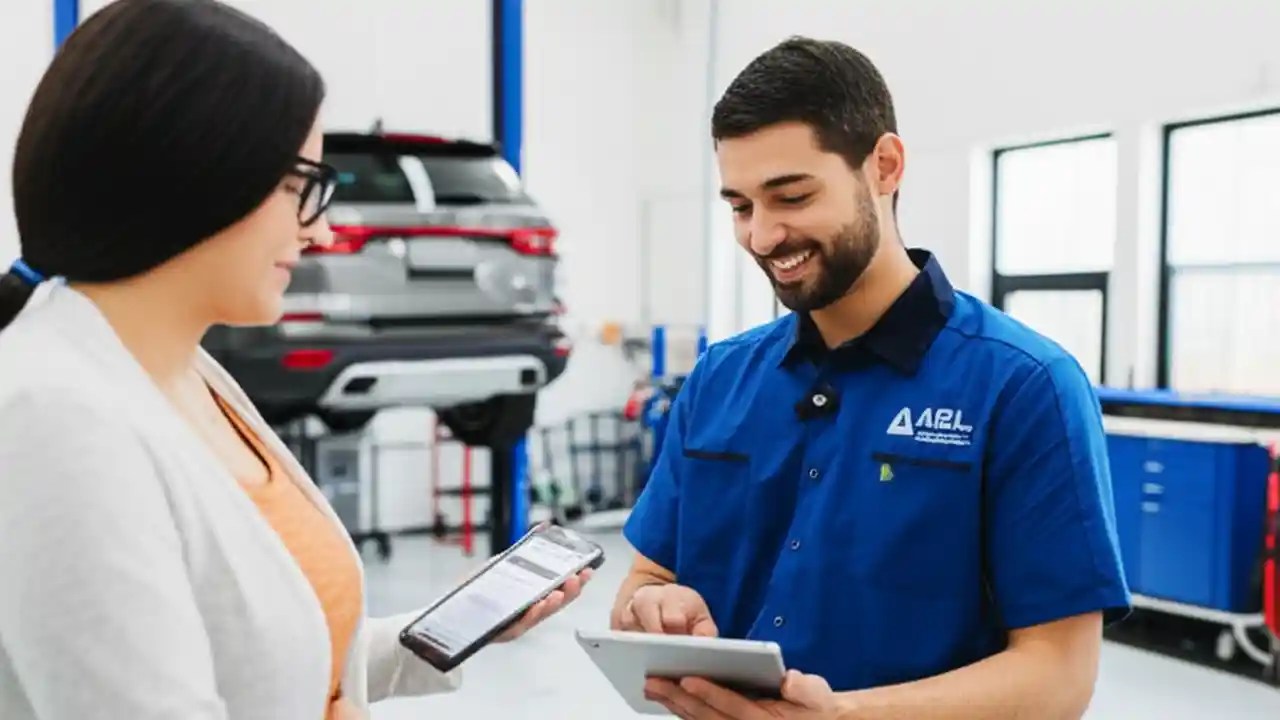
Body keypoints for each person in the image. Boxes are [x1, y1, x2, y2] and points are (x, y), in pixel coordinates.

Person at [0, 2, 589, 719]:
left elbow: (260, 660)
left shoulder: (187, 374)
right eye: (299, 185)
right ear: (191, 171)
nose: (321, 227)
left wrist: (430, 636)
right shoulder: (55, 419)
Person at [611, 36, 1130, 719]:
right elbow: (646, 581)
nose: (762, 237)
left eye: (791, 196)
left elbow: (1059, 677)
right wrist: (654, 608)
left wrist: (848, 717)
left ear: (884, 166)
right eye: (740, 207)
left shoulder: (1023, 388)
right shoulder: (718, 379)